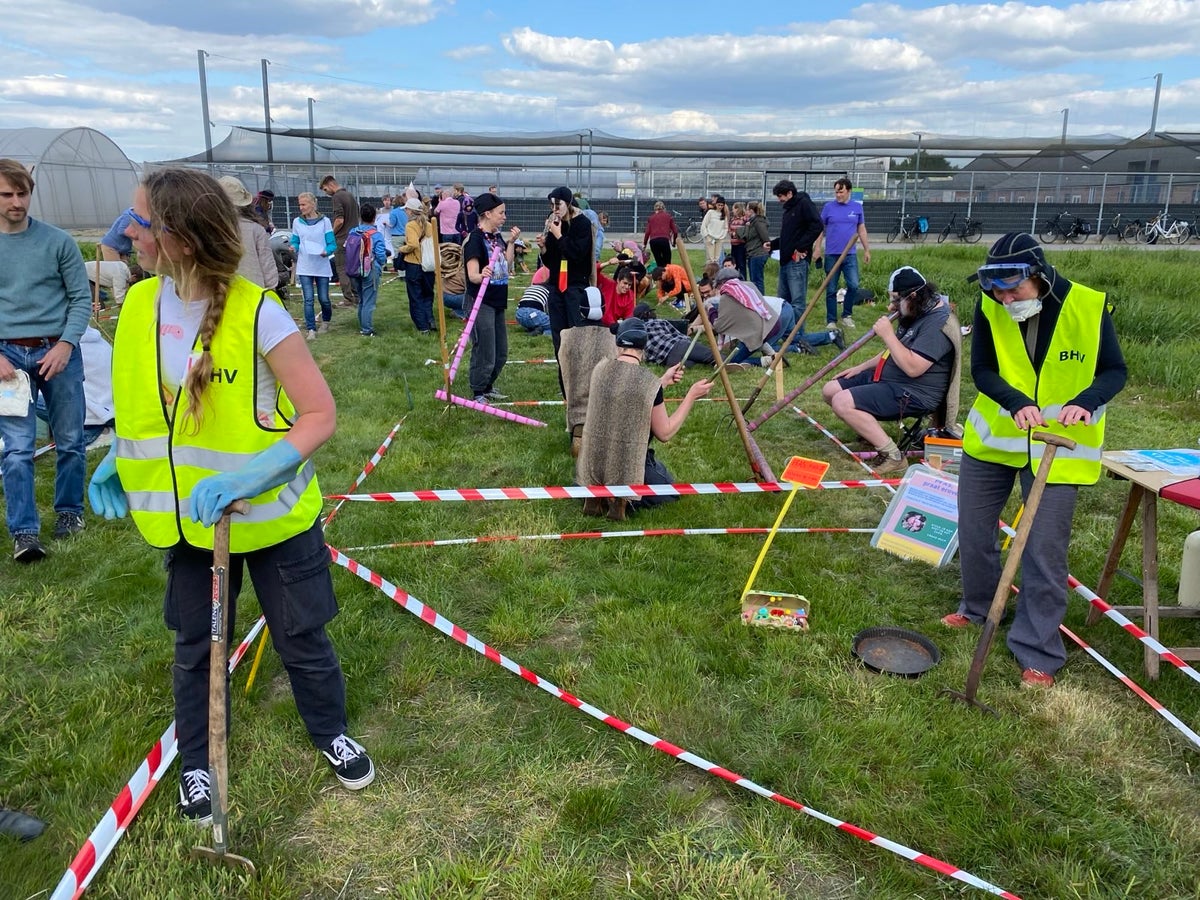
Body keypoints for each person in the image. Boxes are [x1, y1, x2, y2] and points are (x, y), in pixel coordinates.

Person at [88, 167, 374, 824]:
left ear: (181, 238)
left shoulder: (258, 310)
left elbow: (320, 415)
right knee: (195, 646)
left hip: (271, 518)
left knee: (301, 635)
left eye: (142, 221)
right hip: (191, 524)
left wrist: (249, 478)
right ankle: (196, 766)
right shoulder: (138, 306)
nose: (128, 232)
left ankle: (329, 730)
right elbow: (145, 408)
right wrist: (120, 459)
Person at [943, 233, 1127, 688]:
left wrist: (1087, 400)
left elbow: (1114, 370)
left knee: (1044, 548)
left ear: (1039, 277)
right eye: (996, 290)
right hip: (994, 440)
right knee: (973, 528)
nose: (1004, 299)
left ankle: (1037, 649)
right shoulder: (990, 305)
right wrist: (1012, 400)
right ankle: (979, 607)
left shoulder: (1088, 306)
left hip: (1059, 447)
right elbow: (983, 369)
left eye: (1013, 290)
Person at [0, 158, 91, 562]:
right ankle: (24, 532)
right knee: (17, 449)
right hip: (8, 355)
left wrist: (66, 344)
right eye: (7, 194)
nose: (16, 202)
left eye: (22, 193)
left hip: (58, 351)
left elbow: (80, 297)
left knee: (71, 440)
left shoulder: (58, 242)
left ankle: (70, 513)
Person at [820, 266, 959, 474]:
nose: (890, 306)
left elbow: (913, 368)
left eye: (896, 300)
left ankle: (893, 456)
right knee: (830, 390)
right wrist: (860, 367)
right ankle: (871, 436)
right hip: (893, 378)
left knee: (842, 402)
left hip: (915, 391)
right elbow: (896, 350)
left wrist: (888, 335)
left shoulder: (938, 323)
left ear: (912, 295)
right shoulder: (917, 309)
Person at [576, 317, 713, 520]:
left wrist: (662, 382)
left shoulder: (600, 370)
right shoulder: (648, 383)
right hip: (629, 465)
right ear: (643, 348)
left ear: (618, 345)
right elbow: (664, 432)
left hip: (593, 463)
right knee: (669, 492)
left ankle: (597, 495)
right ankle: (622, 498)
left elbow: (626, 392)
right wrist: (691, 396)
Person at [463, 192, 519, 403]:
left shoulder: (496, 237)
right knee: (485, 349)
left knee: (501, 351)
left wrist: (511, 242)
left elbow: (507, 264)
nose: (504, 217)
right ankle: (478, 390)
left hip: (498, 299)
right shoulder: (475, 240)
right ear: (487, 213)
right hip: (480, 301)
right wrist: (482, 274)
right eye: (501, 213)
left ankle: (488, 386)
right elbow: (473, 275)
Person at [541, 186, 596, 368]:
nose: (555, 209)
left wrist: (558, 236)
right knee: (558, 334)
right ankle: (564, 377)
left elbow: (576, 254)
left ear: (568, 203)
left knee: (577, 332)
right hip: (556, 285)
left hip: (575, 285)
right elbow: (550, 262)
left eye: (558, 205)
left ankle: (581, 373)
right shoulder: (554, 222)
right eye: (552, 205)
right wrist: (544, 248)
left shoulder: (582, 224)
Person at [816, 177, 870, 329]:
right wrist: (817, 248)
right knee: (831, 288)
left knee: (853, 285)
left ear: (848, 191)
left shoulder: (857, 208)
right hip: (832, 254)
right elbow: (820, 229)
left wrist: (867, 250)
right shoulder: (828, 207)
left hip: (850, 255)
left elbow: (861, 229)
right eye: (836, 192)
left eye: (841, 192)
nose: (838, 195)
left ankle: (846, 315)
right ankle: (831, 320)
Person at [769, 179, 822, 324]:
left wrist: (801, 247)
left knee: (797, 301)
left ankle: (797, 335)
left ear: (790, 193)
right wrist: (773, 244)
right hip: (785, 260)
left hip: (797, 261)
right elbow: (789, 236)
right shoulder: (788, 210)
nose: (779, 200)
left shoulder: (803, 204)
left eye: (781, 196)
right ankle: (785, 333)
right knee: (782, 301)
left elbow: (817, 225)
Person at [218, 176, 278, 290]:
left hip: (219, 295)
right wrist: (270, 292)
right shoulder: (255, 229)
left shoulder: (208, 229)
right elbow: (268, 268)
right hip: (253, 294)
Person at [289, 192, 336, 341]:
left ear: (313, 204)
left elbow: (332, 244)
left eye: (304, 204)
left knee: (324, 298)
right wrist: (293, 247)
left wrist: (326, 252)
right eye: (300, 204)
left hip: (321, 265)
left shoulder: (325, 221)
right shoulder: (297, 222)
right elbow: (295, 240)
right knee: (308, 299)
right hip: (305, 266)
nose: (301, 207)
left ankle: (326, 321)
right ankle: (311, 329)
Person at [346, 203, 388, 336]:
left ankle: (363, 324)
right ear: (374, 217)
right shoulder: (376, 235)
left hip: (355, 269)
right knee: (369, 301)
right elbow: (380, 255)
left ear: (360, 216)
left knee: (362, 299)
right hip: (370, 270)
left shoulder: (353, 232)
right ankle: (367, 329)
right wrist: (383, 262)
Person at [633, 302, 717, 368]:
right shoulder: (659, 322)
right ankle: (727, 362)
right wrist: (695, 343)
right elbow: (679, 335)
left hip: (668, 361)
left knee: (694, 362)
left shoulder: (638, 333)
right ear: (648, 314)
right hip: (677, 346)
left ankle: (700, 361)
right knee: (712, 355)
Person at [319, 175, 359, 307]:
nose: (326, 193)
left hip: (342, 239)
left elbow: (339, 220)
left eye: (325, 189)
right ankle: (357, 296)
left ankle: (348, 298)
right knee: (353, 268)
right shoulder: (350, 196)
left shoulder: (337, 197)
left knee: (342, 269)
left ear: (330, 185)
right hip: (354, 238)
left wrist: (331, 233)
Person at [396, 197, 435, 333]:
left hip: (414, 264)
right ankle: (430, 320)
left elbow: (413, 244)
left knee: (416, 297)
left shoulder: (410, 226)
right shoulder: (430, 225)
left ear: (411, 211)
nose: (405, 212)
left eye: (406, 209)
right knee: (427, 295)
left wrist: (402, 249)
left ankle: (423, 327)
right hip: (429, 264)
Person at [738, 201, 771, 295]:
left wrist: (766, 244)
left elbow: (765, 237)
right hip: (753, 253)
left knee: (757, 280)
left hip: (758, 253)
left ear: (752, 211)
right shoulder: (752, 222)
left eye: (747, 210)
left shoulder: (758, 222)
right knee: (754, 280)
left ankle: (760, 299)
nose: (746, 212)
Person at [642, 201, 679, 269]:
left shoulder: (651, 218)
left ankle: (660, 277)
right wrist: (674, 243)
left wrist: (644, 244)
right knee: (667, 263)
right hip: (664, 240)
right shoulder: (668, 216)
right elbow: (675, 231)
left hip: (653, 242)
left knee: (659, 263)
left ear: (655, 209)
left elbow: (647, 232)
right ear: (664, 208)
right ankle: (667, 277)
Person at [516, 267, 551, 335]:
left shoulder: (533, 287)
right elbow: (548, 310)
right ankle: (543, 333)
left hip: (519, 314)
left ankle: (533, 328)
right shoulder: (549, 291)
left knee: (536, 319)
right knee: (553, 324)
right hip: (534, 313)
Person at [701, 194, 728, 265]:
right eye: (719, 205)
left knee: (717, 259)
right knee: (710, 259)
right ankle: (709, 274)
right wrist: (707, 236)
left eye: (722, 205)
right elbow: (704, 225)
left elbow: (726, 227)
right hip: (710, 238)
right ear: (716, 204)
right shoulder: (710, 213)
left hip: (719, 239)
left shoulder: (723, 215)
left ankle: (716, 274)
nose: (720, 207)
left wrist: (722, 237)